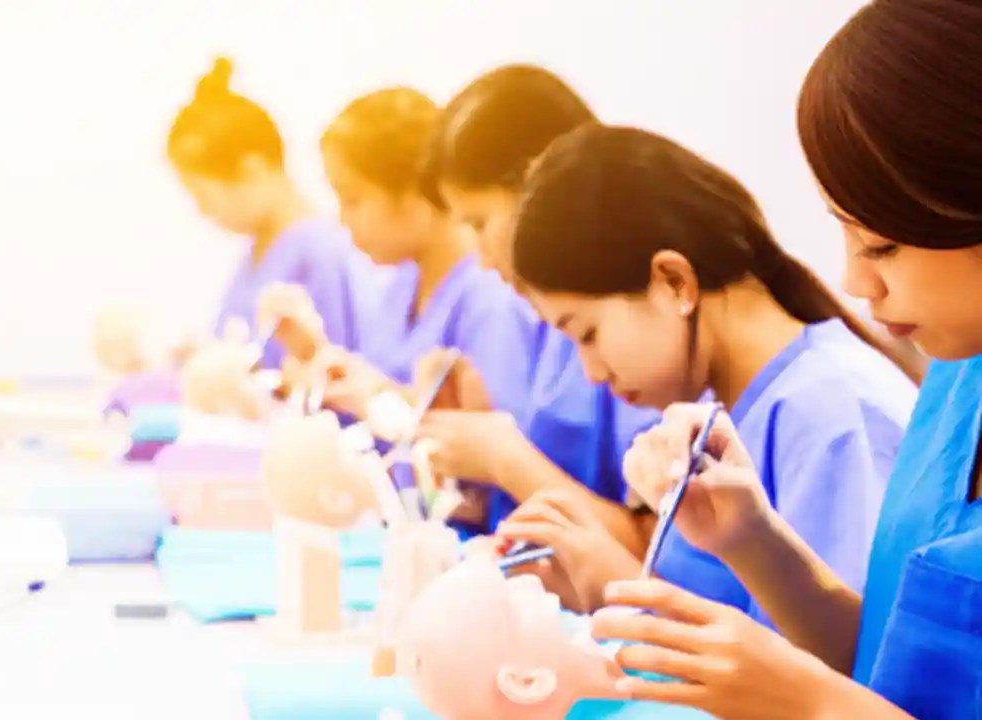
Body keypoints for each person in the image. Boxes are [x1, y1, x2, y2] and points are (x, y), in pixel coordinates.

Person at [587, 3, 982, 718]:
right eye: (849, 236)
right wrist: (756, 543)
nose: (858, 286)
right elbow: (892, 671)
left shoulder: (845, 398)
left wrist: (807, 704)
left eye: (882, 246)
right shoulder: (959, 380)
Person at [494, 124, 919, 619]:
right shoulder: (723, 412)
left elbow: (844, 668)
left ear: (674, 282)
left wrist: (625, 587)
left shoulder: (831, 410)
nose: (591, 373)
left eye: (587, 334)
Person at [413, 65, 661, 547]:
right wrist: (473, 449)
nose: (481, 259)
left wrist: (505, 460)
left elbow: (660, 554)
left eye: (481, 223)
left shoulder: (634, 317)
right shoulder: (546, 322)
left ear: (542, 183)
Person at [300, 86, 545, 534]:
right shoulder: (402, 285)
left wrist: (387, 402)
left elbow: (493, 462)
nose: (342, 220)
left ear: (415, 193)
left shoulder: (489, 300)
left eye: (353, 200)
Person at [166, 57, 376, 368]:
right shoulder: (257, 252)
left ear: (252, 170)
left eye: (204, 197)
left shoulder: (320, 252)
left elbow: (336, 374)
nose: (203, 213)